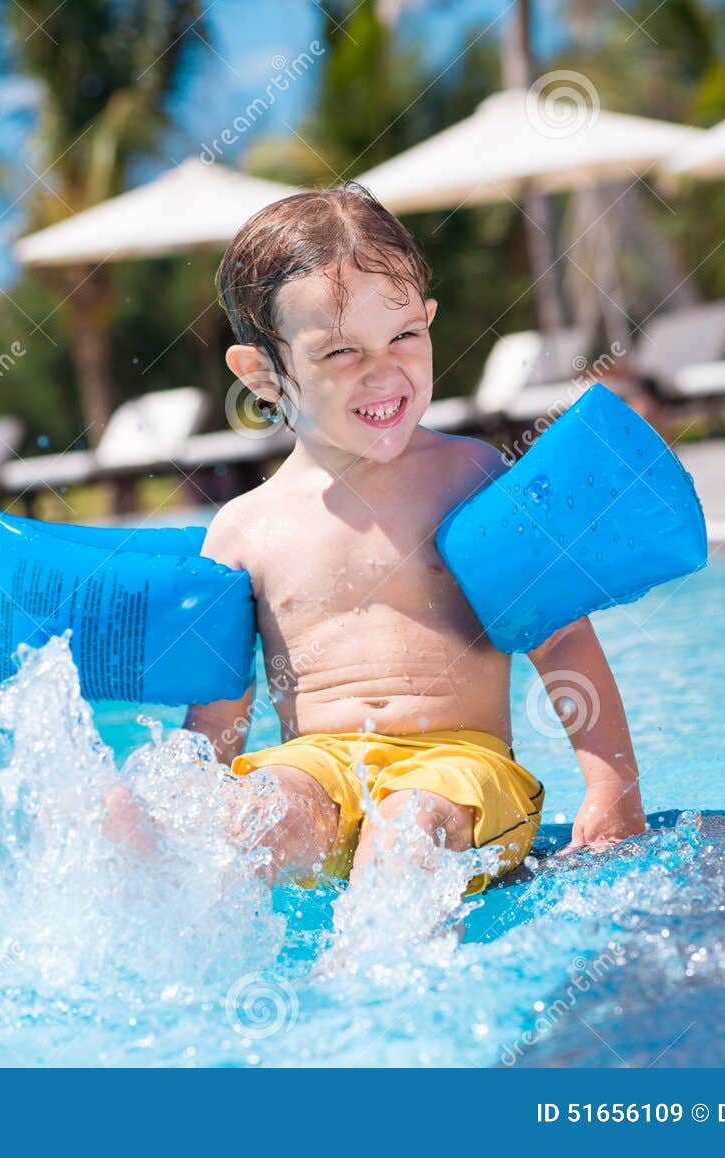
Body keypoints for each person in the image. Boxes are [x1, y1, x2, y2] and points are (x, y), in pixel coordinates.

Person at [180, 183, 645, 894]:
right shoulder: (245, 528)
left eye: (403, 336)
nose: (381, 371)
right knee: (254, 820)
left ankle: (379, 989)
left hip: (462, 772)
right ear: (265, 375)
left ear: (429, 323)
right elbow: (220, 712)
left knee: (407, 831)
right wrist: (184, 822)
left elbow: (562, 640)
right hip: (318, 770)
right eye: (338, 351)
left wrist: (612, 788)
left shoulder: (473, 478)